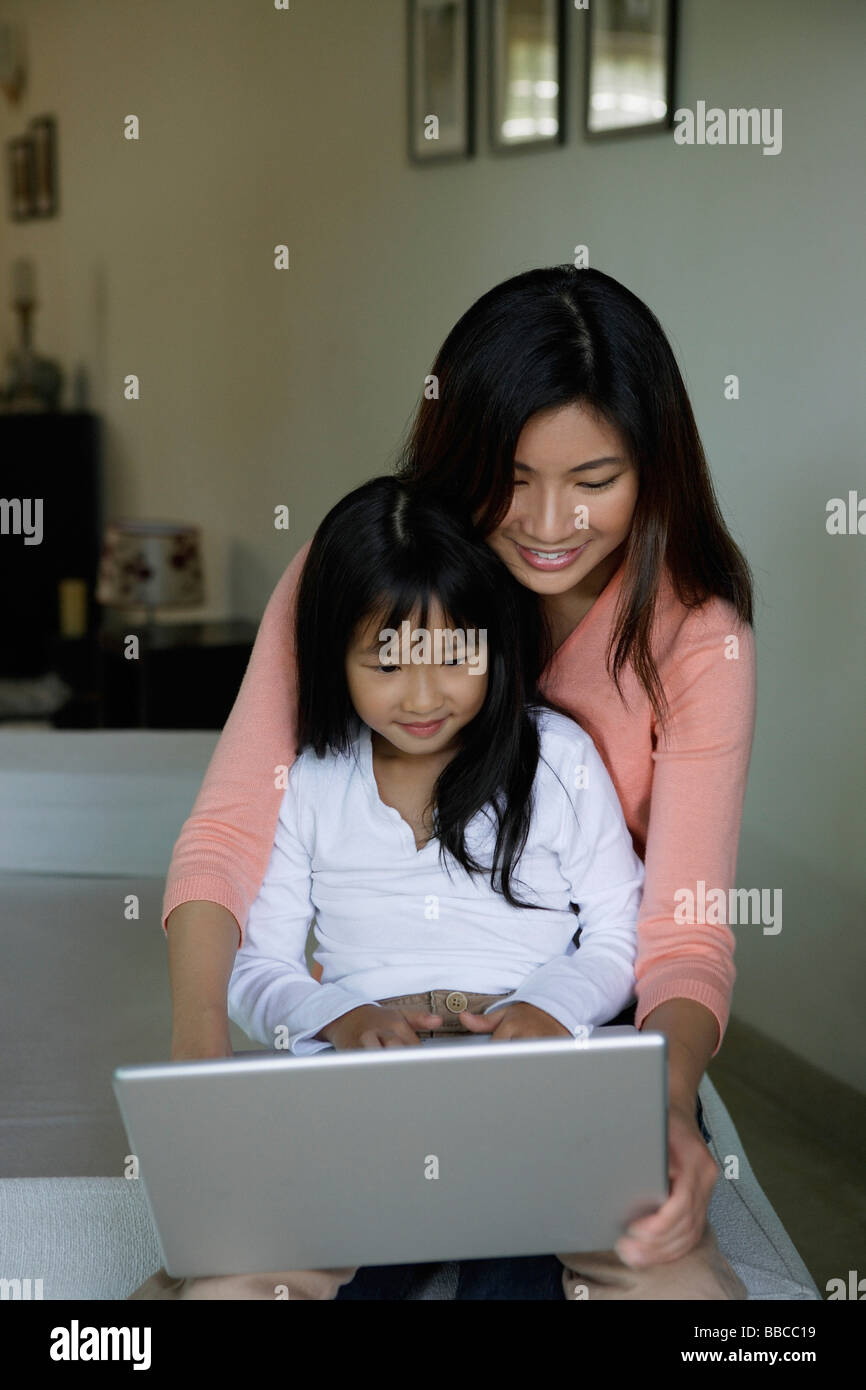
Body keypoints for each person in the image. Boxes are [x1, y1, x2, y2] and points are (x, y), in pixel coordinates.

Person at [144, 265, 755, 1300]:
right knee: (222, 1276)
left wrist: (658, 1094)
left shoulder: (697, 641)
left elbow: (676, 934)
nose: (549, 522)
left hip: (573, 1049)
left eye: (594, 480)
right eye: (512, 477)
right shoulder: (357, 583)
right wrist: (202, 1079)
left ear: (652, 471)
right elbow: (229, 840)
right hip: (367, 1054)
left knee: (676, 1285)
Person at [133, 475, 645, 1299]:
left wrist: (552, 1006)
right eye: (387, 662)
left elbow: (624, 931)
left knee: (529, 1254)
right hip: (362, 1102)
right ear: (334, 656)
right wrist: (338, 1014)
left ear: (495, 644)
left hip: (522, 1085)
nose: (422, 696)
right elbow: (257, 965)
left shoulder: (559, 762)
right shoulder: (310, 782)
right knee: (259, 1263)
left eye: (455, 658)